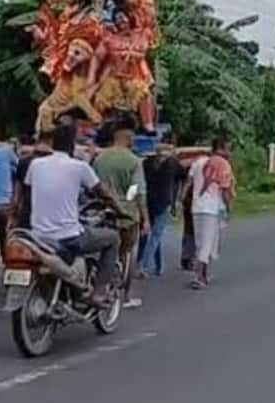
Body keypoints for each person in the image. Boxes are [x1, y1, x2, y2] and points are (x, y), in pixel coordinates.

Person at [19, 120, 123, 307]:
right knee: (113, 238)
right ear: (72, 144)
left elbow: (24, 195)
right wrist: (120, 210)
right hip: (68, 237)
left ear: (52, 143)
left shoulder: (36, 165)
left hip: (37, 236)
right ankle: (99, 292)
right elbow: (103, 192)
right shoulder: (79, 167)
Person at [91, 117, 149, 307]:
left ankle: (101, 286)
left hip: (103, 210)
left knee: (104, 251)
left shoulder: (100, 159)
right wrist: (138, 211)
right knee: (129, 253)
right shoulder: (133, 161)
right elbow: (136, 189)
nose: (133, 141)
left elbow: (95, 185)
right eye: (131, 138)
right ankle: (127, 295)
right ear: (125, 138)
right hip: (127, 213)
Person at [190, 137, 235, 290]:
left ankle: (203, 274)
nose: (230, 152)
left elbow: (188, 184)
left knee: (200, 243)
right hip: (212, 208)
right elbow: (225, 189)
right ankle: (198, 277)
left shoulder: (198, 162)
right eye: (228, 148)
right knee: (208, 243)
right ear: (221, 148)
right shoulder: (223, 164)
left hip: (196, 206)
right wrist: (229, 207)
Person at [139, 134, 184, 277]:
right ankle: (145, 266)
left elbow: (137, 183)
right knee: (156, 236)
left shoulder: (146, 163)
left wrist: (130, 200)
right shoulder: (172, 163)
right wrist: (177, 200)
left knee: (149, 235)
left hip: (148, 201)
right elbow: (183, 177)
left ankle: (157, 266)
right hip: (164, 202)